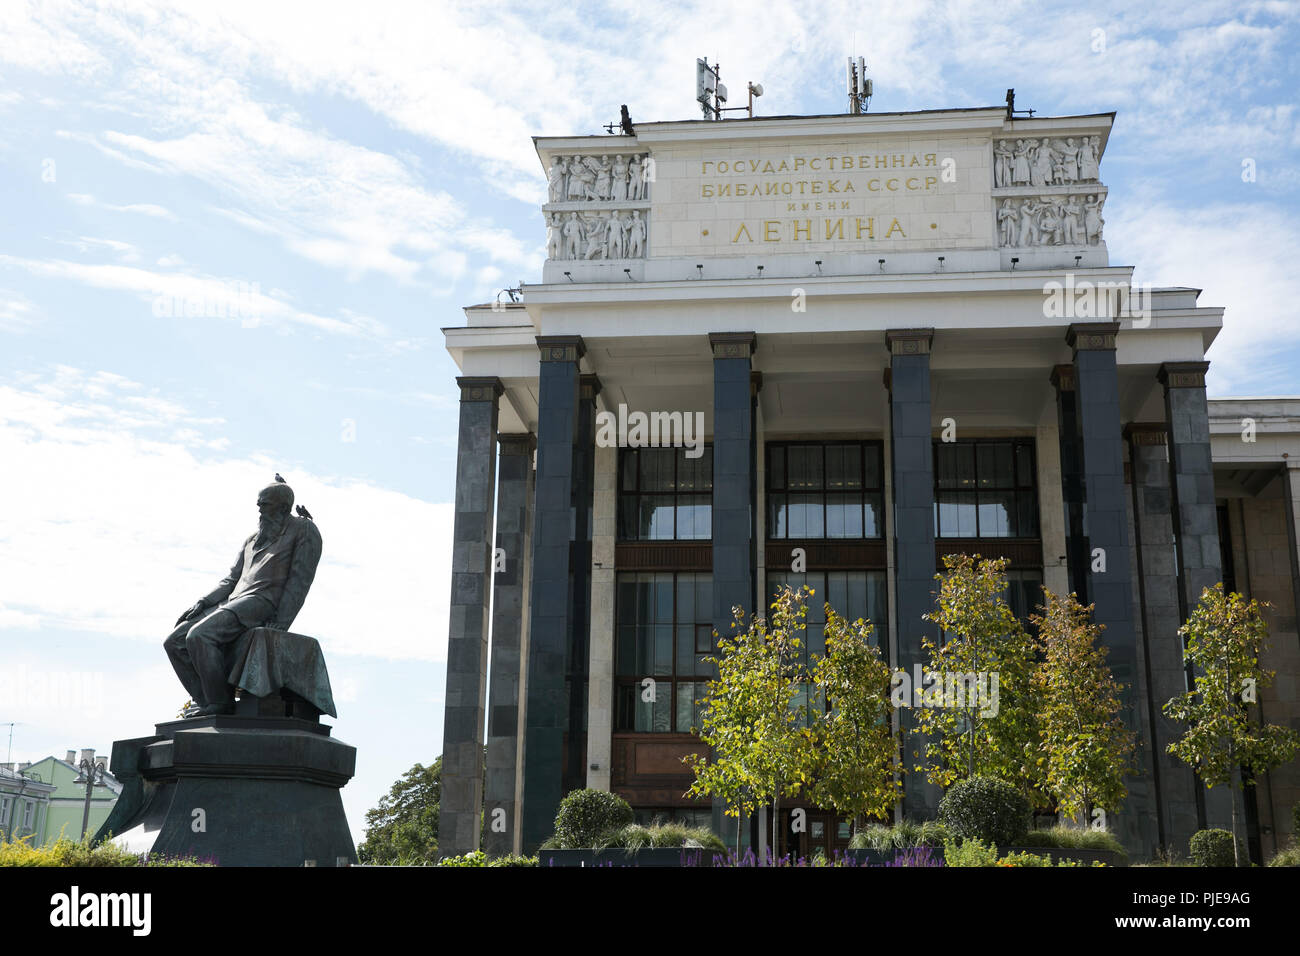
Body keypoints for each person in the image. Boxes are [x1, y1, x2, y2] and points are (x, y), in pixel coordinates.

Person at [164, 481, 322, 717]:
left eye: (265, 505)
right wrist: (204, 602)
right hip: (231, 602)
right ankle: (207, 700)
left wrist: (283, 619)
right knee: (174, 641)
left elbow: (300, 579)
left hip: (262, 600)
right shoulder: (251, 540)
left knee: (200, 635)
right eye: (258, 504)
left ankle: (221, 704)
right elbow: (231, 580)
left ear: (283, 507)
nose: (259, 510)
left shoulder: (303, 530)